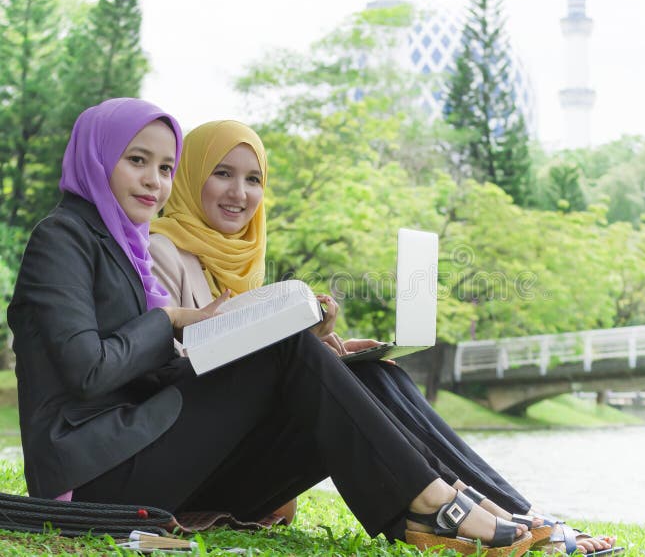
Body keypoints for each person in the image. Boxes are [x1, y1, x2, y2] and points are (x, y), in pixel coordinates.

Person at [7, 99, 535, 557]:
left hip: (148, 456)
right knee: (284, 352)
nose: (155, 181)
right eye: (137, 161)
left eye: (167, 167)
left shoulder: (126, 247)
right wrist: (169, 319)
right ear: (97, 157)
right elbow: (88, 372)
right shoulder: (62, 239)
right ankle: (436, 508)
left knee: (348, 370)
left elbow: (150, 374)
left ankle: (457, 509)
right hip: (95, 477)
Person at [149, 119, 622, 556]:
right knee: (342, 370)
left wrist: (320, 350)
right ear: (190, 178)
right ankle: (440, 510)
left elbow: (255, 370)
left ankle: (517, 514)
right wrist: (285, 349)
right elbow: (165, 368)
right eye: (223, 174)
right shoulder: (158, 250)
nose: (240, 193)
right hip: (200, 462)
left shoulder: (245, 265)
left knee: (376, 373)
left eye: (254, 179)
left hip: (245, 447)